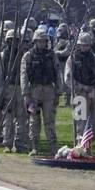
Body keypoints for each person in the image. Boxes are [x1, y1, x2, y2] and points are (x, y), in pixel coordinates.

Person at [21, 28, 59, 157]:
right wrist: (26, 94)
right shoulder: (28, 56)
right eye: (40, 41)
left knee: (50, 121)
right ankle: (34, 147)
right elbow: (24, 76)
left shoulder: (52, 55)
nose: (42, 43)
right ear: (35, 41)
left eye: (44, 41)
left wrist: (58, 92)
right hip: (34, 92)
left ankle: (53, 147)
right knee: (34, 120)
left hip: (49, 90)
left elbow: (57, 73)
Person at [67, 31, 95, 147]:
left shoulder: (94, 58)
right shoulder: (72, 58)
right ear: (78, 45)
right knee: (80, 122)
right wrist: (82, 87)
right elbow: (68, 79)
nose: (85, 47)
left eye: (87, 45)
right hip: (79, 93)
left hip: (94, 92)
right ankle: (80, 147)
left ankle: (89, 143)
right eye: (83, 45)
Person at [0, 28, 26, 152]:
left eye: (15, 40)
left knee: (21, 116)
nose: (13, 43)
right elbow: (0, 74)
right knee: (8, 116)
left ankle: (19, 142)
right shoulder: (2, 55)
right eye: (11, 40)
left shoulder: (23, 54)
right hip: (8, 88)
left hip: (20, 88)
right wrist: (0, 91)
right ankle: (7, 142)